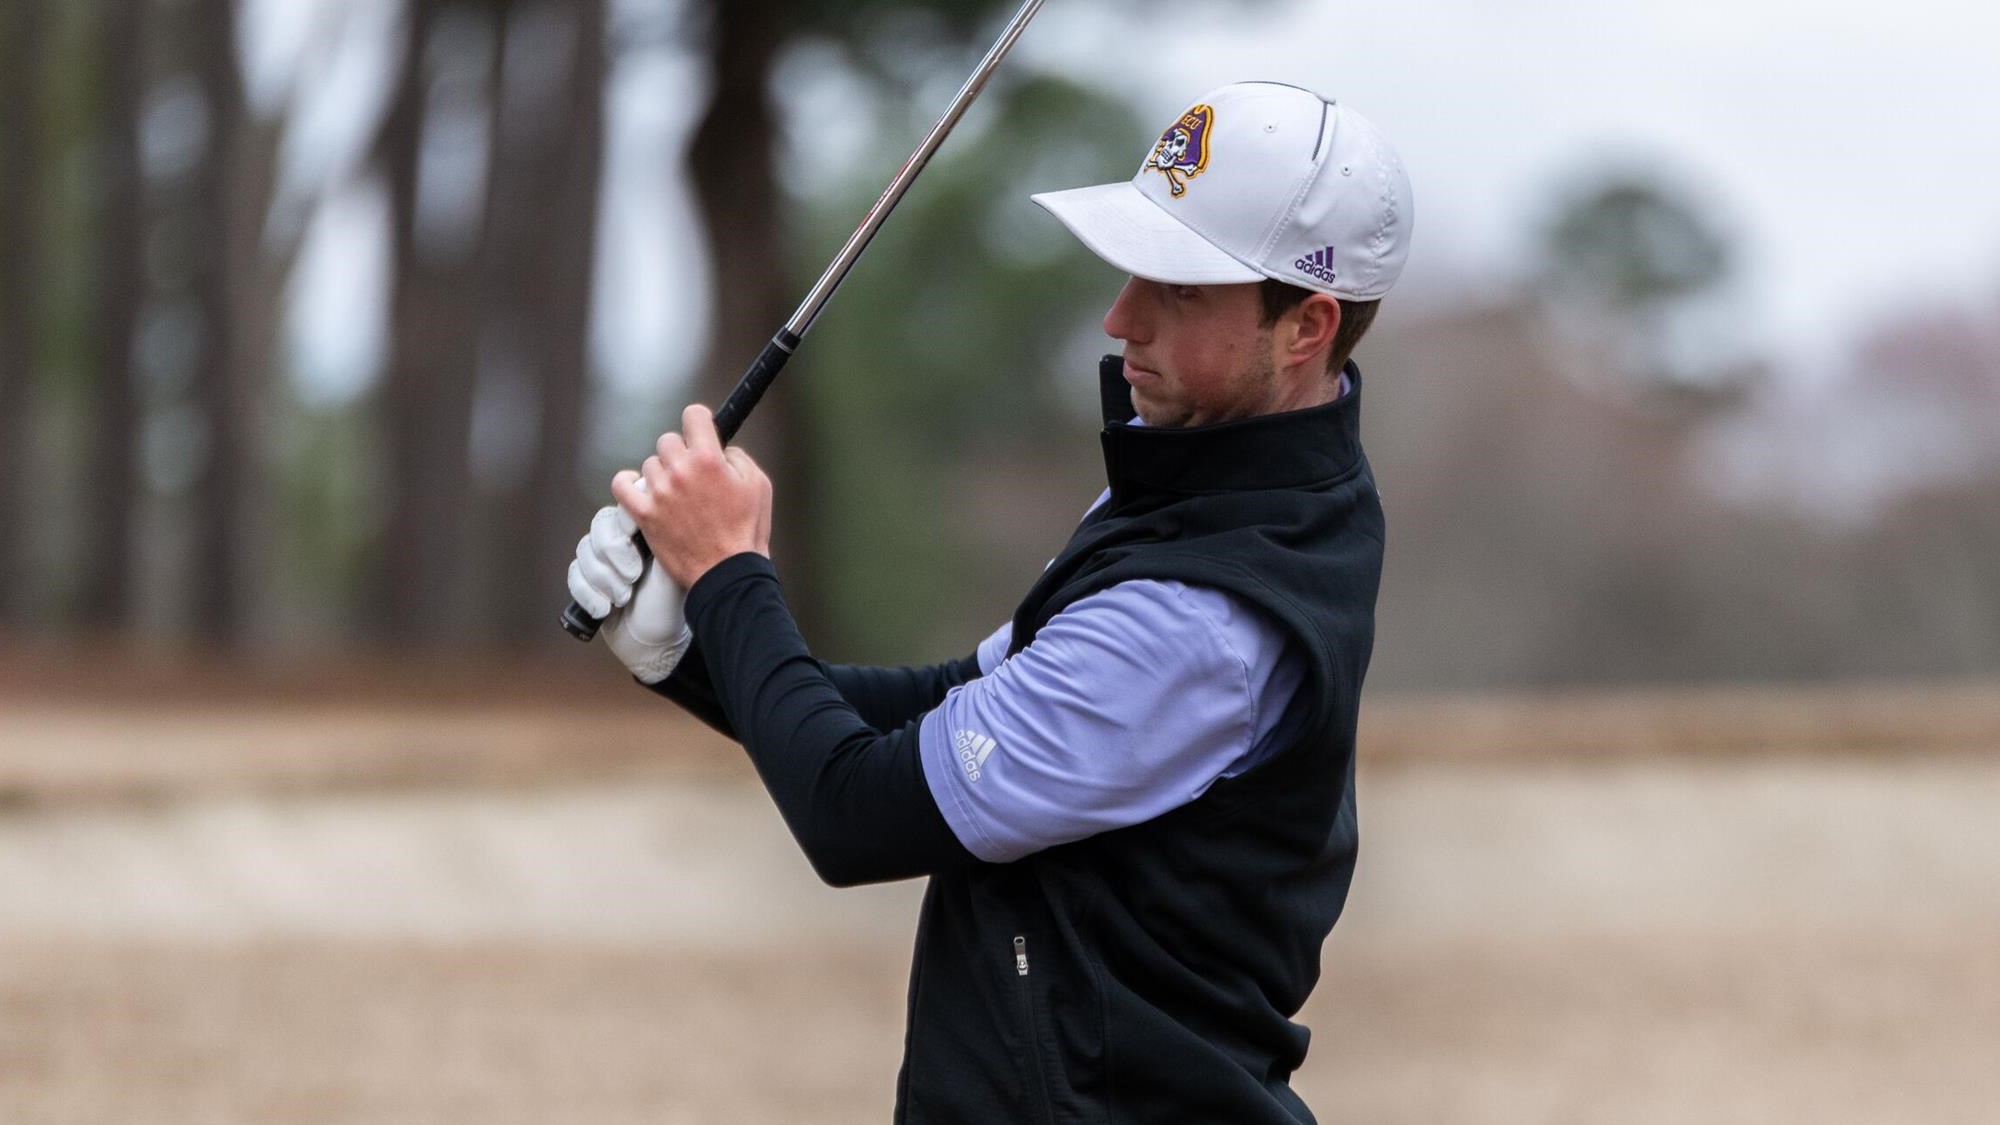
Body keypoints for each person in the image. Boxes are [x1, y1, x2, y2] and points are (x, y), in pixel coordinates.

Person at [568, 80, 1412, 1124]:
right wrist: (687, 650)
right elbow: (948, 701)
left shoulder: (1196, 617)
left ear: (1305, 327)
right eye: (1133, 267)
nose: (1120, 316)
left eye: (1181, 288)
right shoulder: (1216, 495)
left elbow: (853, 814)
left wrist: (730, 574)